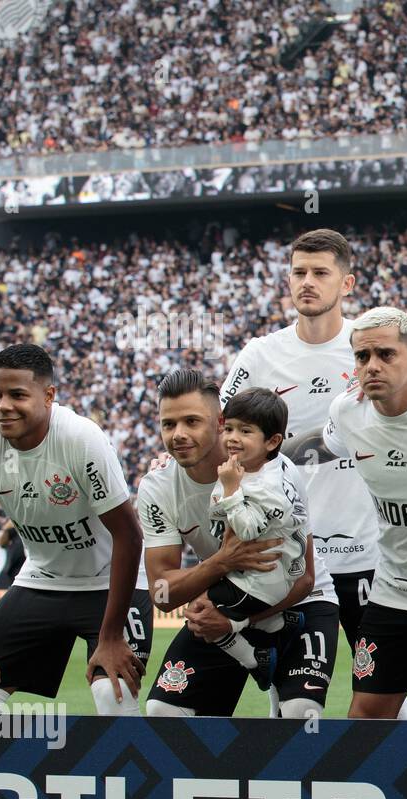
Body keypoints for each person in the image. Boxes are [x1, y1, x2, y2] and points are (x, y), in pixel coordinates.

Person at [287, 307, 407, 720]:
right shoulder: (347, 412)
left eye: (386, 355)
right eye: (362, 357)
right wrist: (262, 453)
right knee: (364, 719)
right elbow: (324, 445)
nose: (372, 366)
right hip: (393, 592)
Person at [219, 229, 367, 708]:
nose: (308, 282)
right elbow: (219, 432)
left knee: (380, 690)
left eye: (320, 273)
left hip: (366, 548)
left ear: (346, 283)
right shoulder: (261, 355)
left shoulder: (371, 347)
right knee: (289, 696)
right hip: (287, 553)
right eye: (299, 272)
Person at [0, 344, 151, 716]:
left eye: (18, 394)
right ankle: (6, 776)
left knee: (112, 696)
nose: (3, 406)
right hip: (42, 579)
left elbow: (128, 536)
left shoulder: (81, 438)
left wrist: (111, 636)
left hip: (110, 581)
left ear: (49, 396)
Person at [139, 369, 320, 719]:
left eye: (192, 421)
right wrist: (219, 564)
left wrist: (237, 624)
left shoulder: (275, 471)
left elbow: (305, 578)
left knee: (300, 712)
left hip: (299, 597)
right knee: (164, 711)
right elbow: (162, 595)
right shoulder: (157, 487)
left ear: (220, 423)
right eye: (168, 424)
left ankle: (276, 684)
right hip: (232, 592)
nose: (178, 435)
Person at [203, 388, 309, 686]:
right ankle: (278, 622)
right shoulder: (253, 468)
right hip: (265, 576)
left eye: (245, 431)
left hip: (263, 582)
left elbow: (248, 530)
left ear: (273, 441)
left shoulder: (268, 485)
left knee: (199, 612)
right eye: (230, 428)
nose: (232, 437)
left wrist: (230, 489)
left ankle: (254, 660)